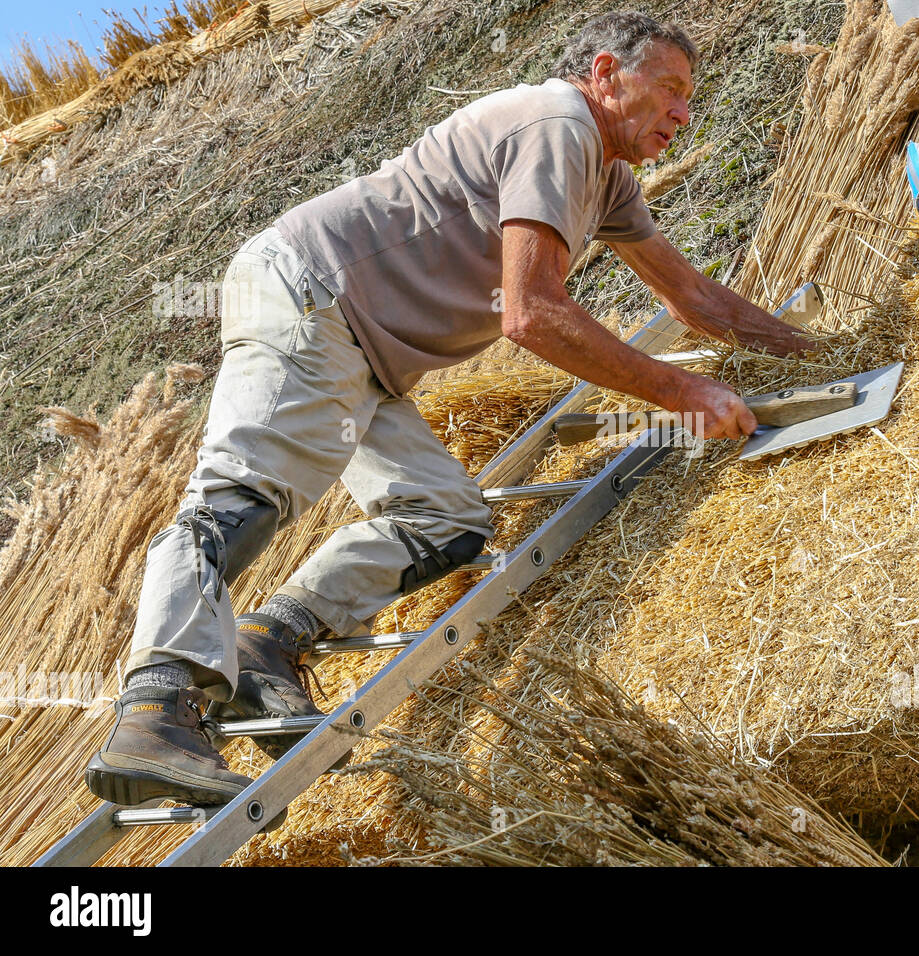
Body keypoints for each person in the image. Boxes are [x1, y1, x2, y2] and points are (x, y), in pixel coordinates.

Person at [84, 9, 812, 807]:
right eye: (669, 89)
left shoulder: (606, 178)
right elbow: (530, 314)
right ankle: (154, 705)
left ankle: (270, 638)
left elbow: (693, 295)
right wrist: (684, 391)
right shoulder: (558, 123)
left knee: (447, 520)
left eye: (689, 98)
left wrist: (816, 353)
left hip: (369, 354)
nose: (682, 112)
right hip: (313, 297)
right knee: (243, 495)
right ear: (605, 74)